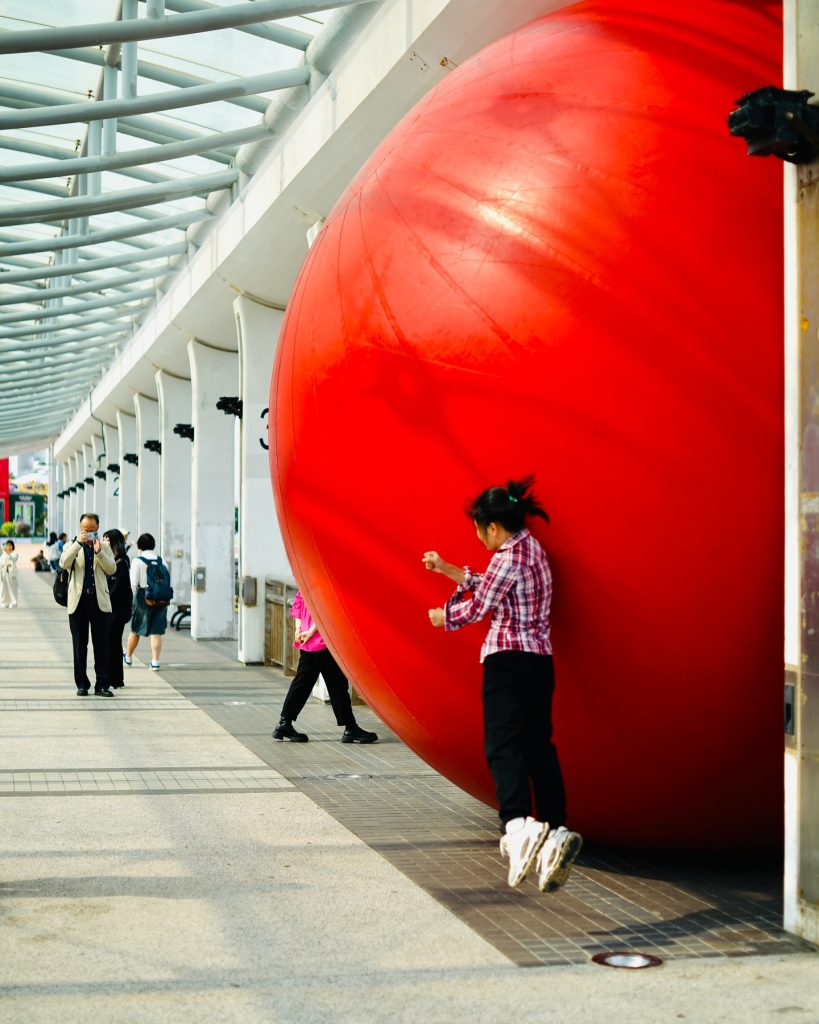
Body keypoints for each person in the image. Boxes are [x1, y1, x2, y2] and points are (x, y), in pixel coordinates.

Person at [423, 475, 582, 893]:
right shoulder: (532, 550)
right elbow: (489, 584)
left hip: (507, 662)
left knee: (501, 744)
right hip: (539, 662)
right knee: (537, 747)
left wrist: (444, 618)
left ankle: (516, 826)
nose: (478, 538)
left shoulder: (507, 558)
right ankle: (554, 831)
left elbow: (480, 606)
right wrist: (447, 570)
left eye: (478, 530)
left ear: (493, 526)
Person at [273, 590, 378, 744]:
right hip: (321, 642)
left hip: (308, 642)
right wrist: (310, 631)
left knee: (302, 684)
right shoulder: (321, 583)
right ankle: (350, 728)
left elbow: (298, 605)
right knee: (337, 686)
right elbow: (325, 609)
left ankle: (284, 723)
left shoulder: (305, 582)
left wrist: (299, 629)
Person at [59, 513, 116, 697]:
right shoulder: (71, 545)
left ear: (98, 528)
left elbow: (111, 569)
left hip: (99, 602)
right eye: (85, 530)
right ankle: (82, 684)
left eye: (92, 530)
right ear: (80, 528)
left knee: (102, 646)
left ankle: (102, 685)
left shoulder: (105, 547)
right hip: (78, 602)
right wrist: (78, 544)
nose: (88, 533)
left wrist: (99, 552)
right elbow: (63, 563)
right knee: (79, 645)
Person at [125, 533, 169, 671]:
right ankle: (155, 662)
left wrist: (129, 602)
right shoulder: (162, 561)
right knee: (156, 632)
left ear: (139, 546)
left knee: (136, 629)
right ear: (154, 545)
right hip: (161, 599)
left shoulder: (137, 561)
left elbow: (133, 584)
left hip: (143, 597)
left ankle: (128, 658)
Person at [103, 528, 133, 689]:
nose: (104, 542)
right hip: (114, 610)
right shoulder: (115, 559)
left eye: (107, 539)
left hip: (116, 611)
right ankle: (116, 679)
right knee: (113, 644)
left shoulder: (121, 562)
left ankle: (113, 679)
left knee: (112, 644)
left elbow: (113, 588)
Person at [0, 539, 19, 608]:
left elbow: (12, 558)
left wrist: (7, 553)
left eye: (10, 545)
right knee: (3, 589)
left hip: (11, 575)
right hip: (3, 574)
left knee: (13, 589)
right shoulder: (3, 555)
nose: (8, 547)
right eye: (7, 545)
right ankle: (4, 602)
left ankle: (13, 603)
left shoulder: (14, 554)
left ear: (13, 546)